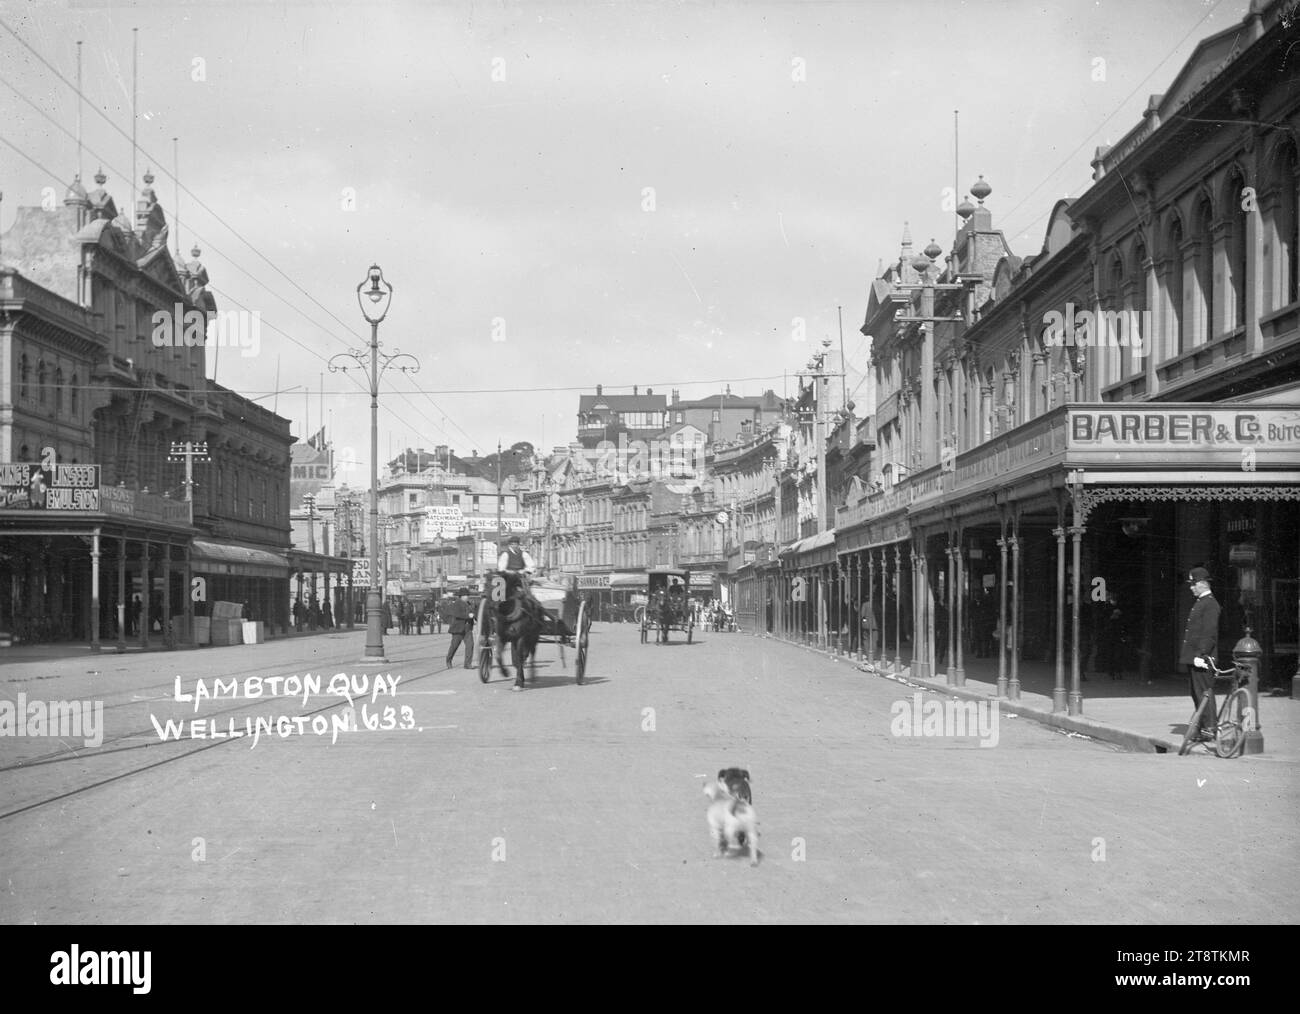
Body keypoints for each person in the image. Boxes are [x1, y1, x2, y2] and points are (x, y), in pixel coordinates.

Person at [1180, 566, 1221, 741]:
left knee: (1204, 693)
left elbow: (1209, 632)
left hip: (1202, 658)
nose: (1191, 587)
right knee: (1197, 693)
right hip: (1195, 657)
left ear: (1203, 584)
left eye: (1193, 584)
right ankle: (1203, 726)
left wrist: (1201, 654)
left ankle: (1210, 729)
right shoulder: (1201, 602)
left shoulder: (1210, 604)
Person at [446, 588, 475, 669]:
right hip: (458, 629)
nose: (467, 597)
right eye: (466, 595)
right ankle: (449, 660)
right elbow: (457, 614)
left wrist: (476, 617)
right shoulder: (456, 604)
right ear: (461, 596)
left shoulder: (469, 604)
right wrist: (468, 616)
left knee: (470, 645)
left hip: (468, 629)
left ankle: (467, 664)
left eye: (468, 595)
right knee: (454, 646)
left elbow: (473, 614)